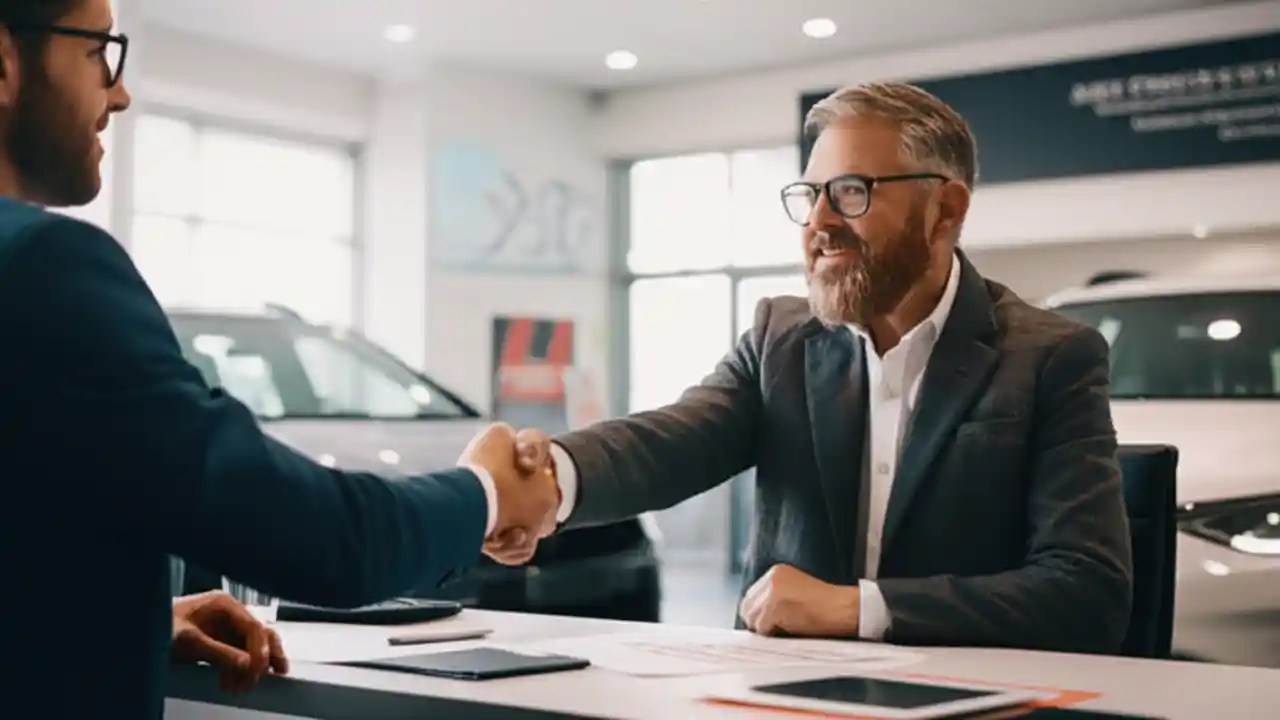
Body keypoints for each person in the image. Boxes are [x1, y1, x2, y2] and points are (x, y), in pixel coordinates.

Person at [0, 1, 558, 717]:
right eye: (98, 51)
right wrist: (487, 492)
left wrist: (134, 620)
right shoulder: (44, 266)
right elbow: (325, 540)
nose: (119, 92)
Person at [489, 81, 1134, 653]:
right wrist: (548, 482)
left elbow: (1085, 594)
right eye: (810, 194)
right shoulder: (782, 339)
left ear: (946, 211)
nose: (820, 222)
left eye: (852, 192)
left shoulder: (1052, 358)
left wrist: (860, 609)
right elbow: (675, 441)